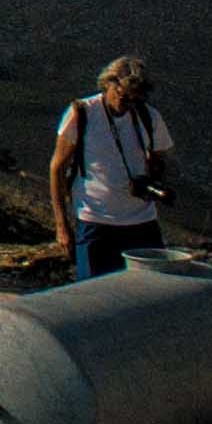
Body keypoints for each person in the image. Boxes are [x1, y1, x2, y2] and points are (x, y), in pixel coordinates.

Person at [51, 56, 176, 279]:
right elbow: (57, 168)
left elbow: (159, 157)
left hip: (141, 220)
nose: (127, 104)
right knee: (93, 295)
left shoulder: (148, 116)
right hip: (95, 220)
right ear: (108, 83)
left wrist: (152, 180)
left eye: (134, 100)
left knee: (150, 288)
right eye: (123, 96)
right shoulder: (83, 113)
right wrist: (62, 225)